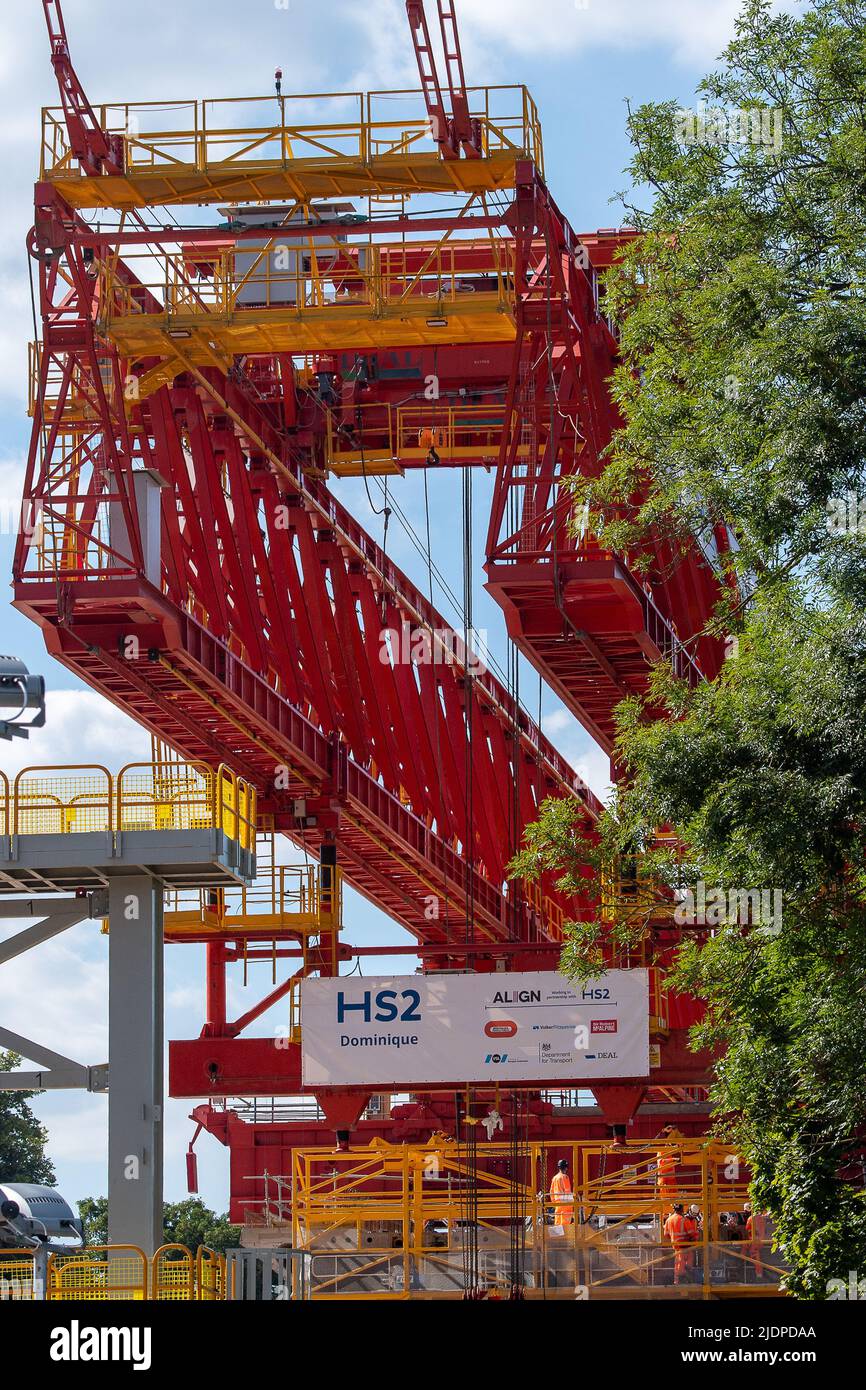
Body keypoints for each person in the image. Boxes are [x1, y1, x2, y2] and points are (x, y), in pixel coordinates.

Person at [663, 1203, 692, 1285]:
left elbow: (666, 1235)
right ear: (682, 1209)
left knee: (678, 1264)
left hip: (676, 1246)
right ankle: (684, 1281)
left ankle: (676, 1282)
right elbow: (691, 1234)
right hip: (685, 1246)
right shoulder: (684, 1219)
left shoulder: (668, 1220)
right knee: (686, 1264)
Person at [745, 1203, 768, 1280]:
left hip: (755, 1242)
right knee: (745, 1248)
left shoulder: (751, 1218)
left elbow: (747, 1229)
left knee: (754, 1254)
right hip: (759, 1241)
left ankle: (759, 1274)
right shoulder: (762, 1218)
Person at [549, 1158, 574, 1229]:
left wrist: (554, 1203)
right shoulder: (565, 1177)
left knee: (558, 1221)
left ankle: (557, 1237)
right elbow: (567, 1191)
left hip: (557, 1204)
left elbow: (551, 1191)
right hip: (565, 1204)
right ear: (566, 1168)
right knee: (565, 1222)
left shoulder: (555, 1178)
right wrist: (572, 1201)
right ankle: (565, 1236)